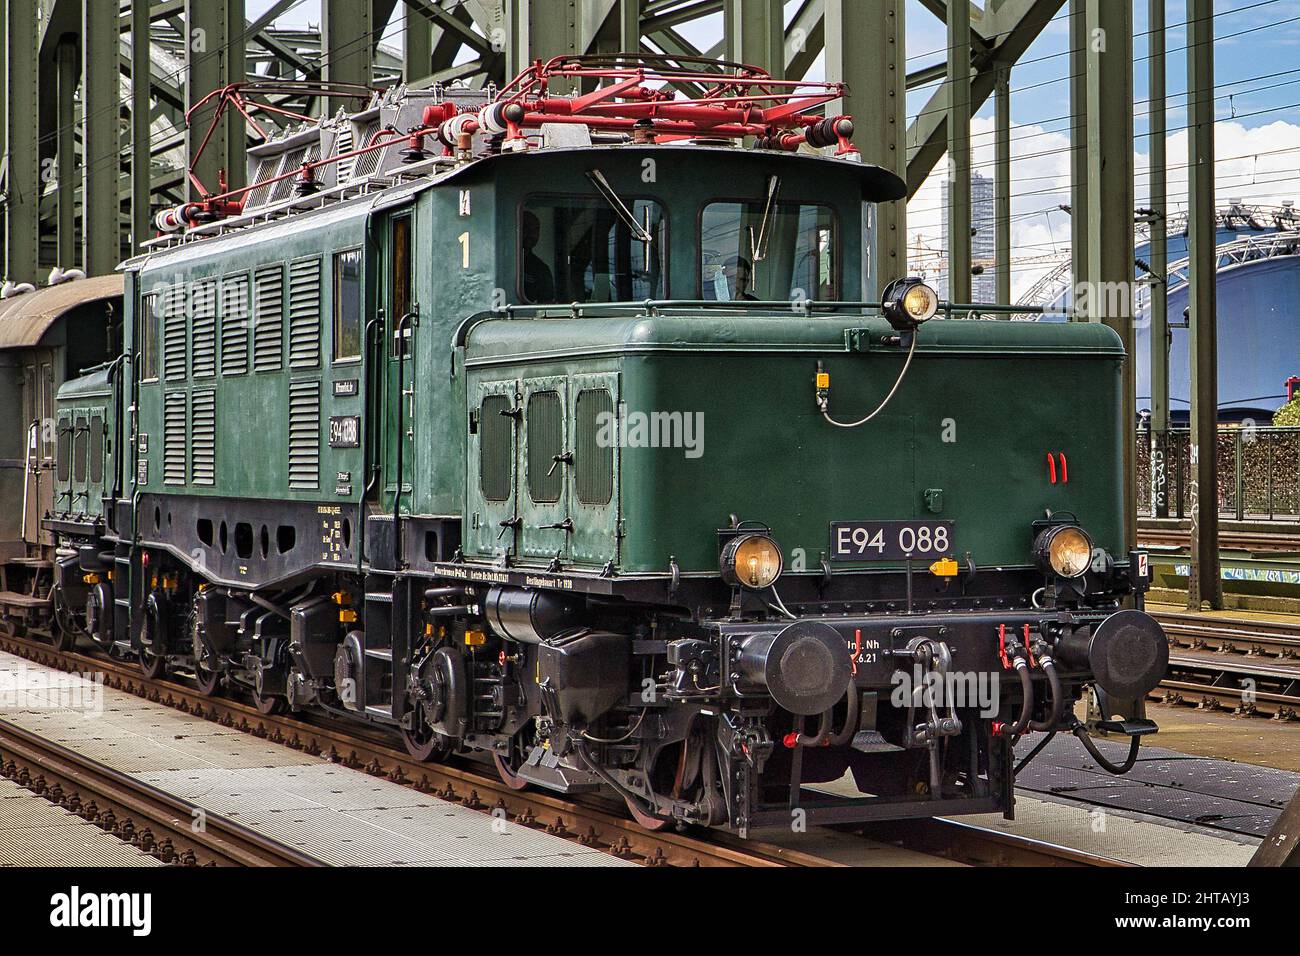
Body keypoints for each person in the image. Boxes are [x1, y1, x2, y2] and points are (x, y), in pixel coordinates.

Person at [521, 211, 555, 303]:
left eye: (535, 230)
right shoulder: (499, 263)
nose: (532, 235)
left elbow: (546, 303)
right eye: (526, 228)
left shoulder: (541, 269)